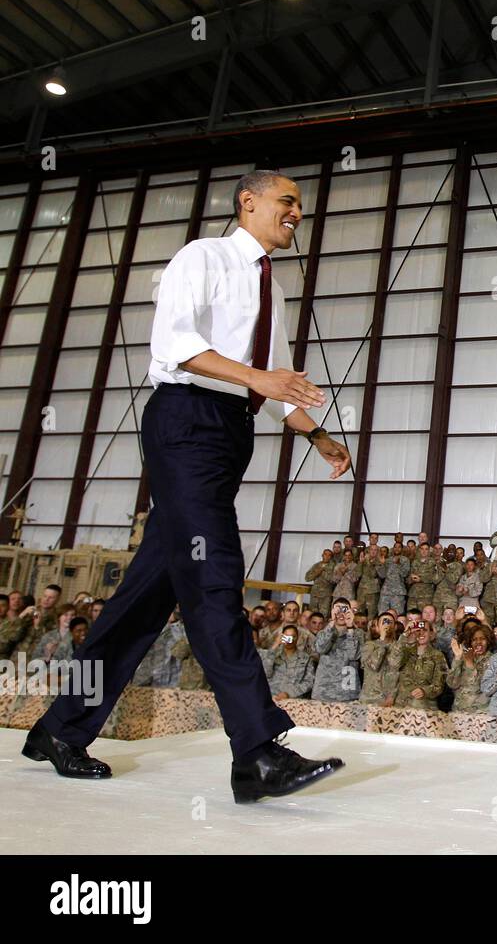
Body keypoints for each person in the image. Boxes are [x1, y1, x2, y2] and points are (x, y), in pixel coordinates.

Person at [23, 170, 349, 802]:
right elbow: (177, 346)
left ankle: (60, 729)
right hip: (187, 419)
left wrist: (316, 434)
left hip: (230, 433)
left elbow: (273, 384)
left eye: (300, 207)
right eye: (287, 202)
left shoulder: (272, 290)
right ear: (247, 203)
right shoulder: (204, 258)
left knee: (148, 594)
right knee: (214, 576)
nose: (296, 214)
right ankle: (256, 751)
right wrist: (264, 381)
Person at [312, 598, 363, 703]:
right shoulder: (324, 632)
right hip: (323, 690)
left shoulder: (358, 634)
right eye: (337, 609)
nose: (341, 614)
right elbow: (320, 649)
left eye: (344, 609)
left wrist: (350, 628)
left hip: (347, 693)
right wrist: (331, 624)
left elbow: (353, 655)